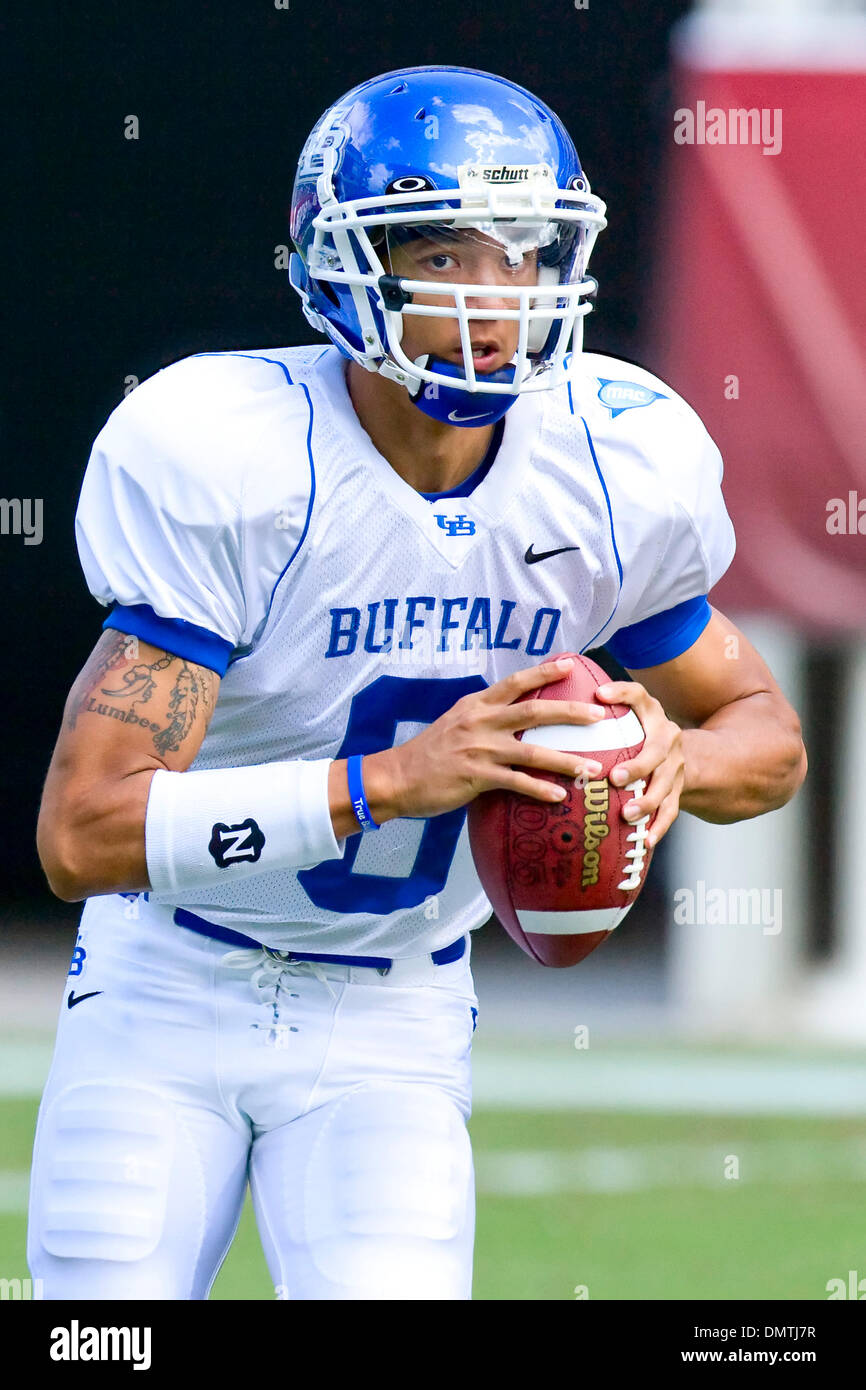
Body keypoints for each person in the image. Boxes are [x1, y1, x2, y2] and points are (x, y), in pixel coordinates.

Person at [30, 64, 806, 1301]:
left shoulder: (610, 461)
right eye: (443, 250)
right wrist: (389, 783)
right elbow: (80, 833)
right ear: (344, 266)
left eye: (524, 253)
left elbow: (762, 735)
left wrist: (677, 758)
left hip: (389, 1012)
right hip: (167, 983)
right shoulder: (231, 456)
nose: (491, 299)